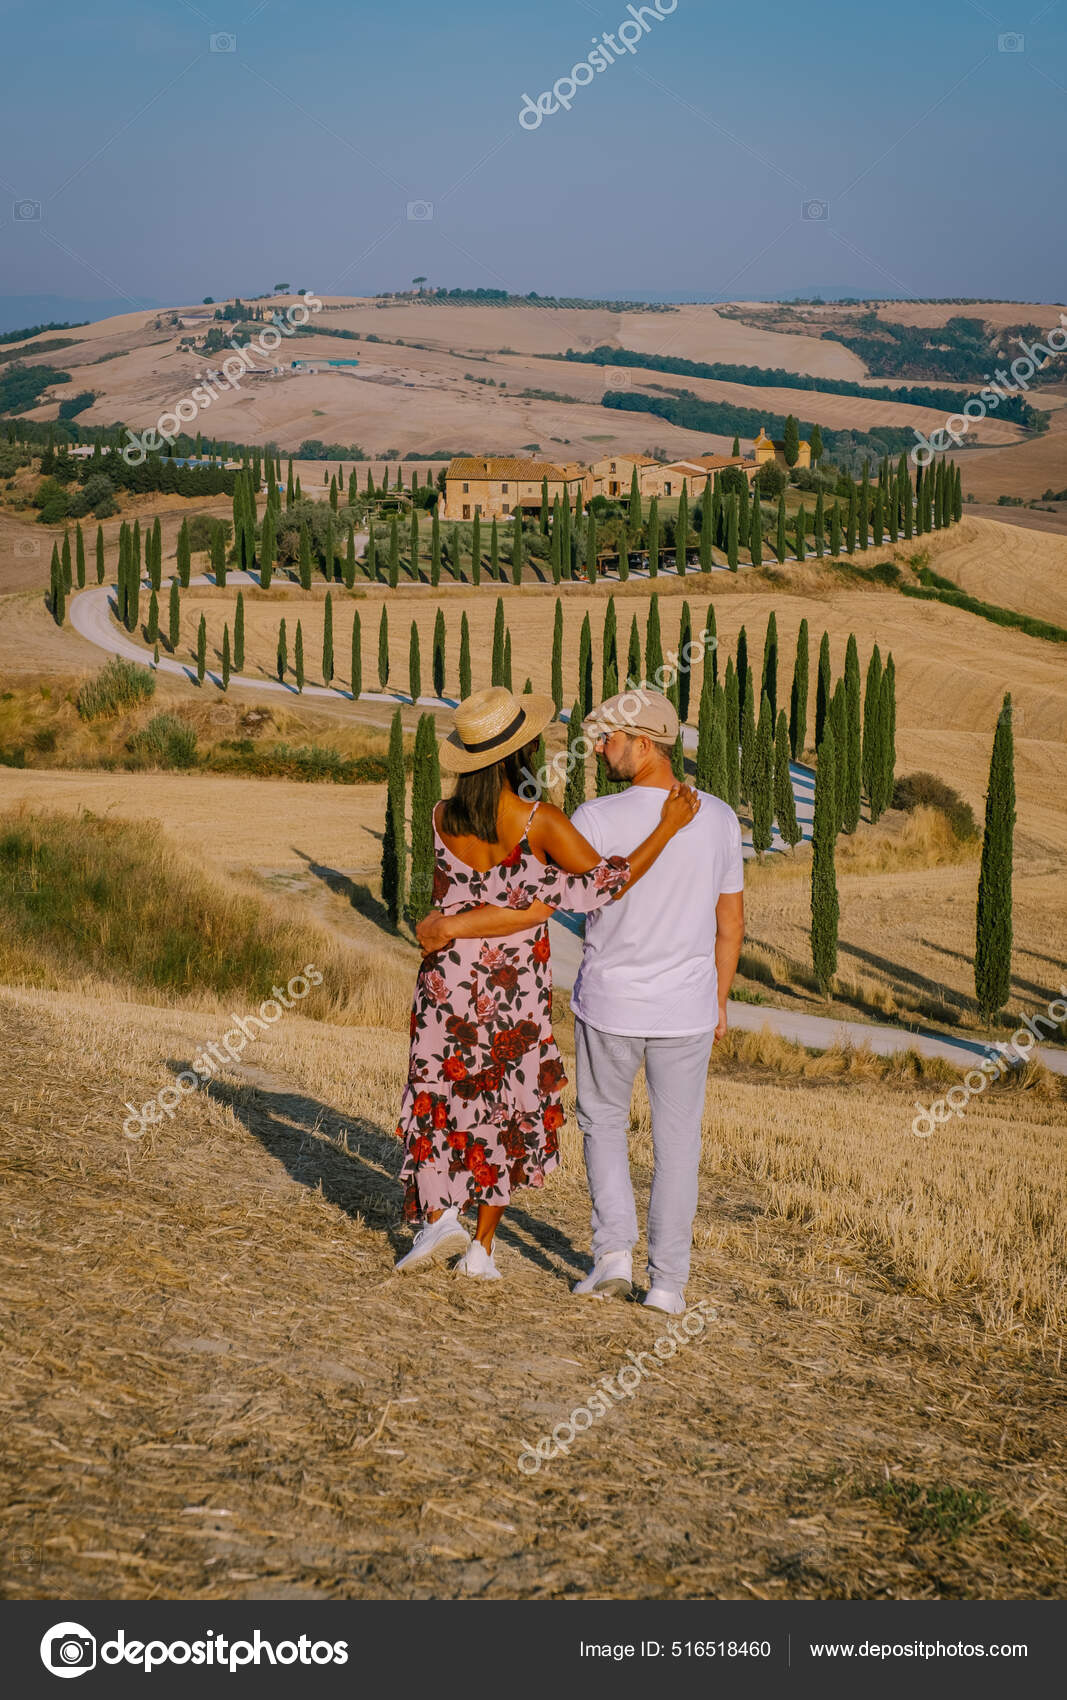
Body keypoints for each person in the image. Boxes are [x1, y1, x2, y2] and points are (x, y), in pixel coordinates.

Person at [395, 686, 698, 1280]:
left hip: (446, 983)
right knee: (504, 1104)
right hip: (511, 991)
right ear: (520, 753)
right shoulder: (541, 821)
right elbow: (605, 884)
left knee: (441, 1092)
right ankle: (481, 1248)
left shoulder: (440, 816)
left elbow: (443, 901)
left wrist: (459, 923)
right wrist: (665, 828)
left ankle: (439, 1216)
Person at [568, 689, 745, 1314]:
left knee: (603, 1125)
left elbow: (576, 900)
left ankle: (612, 1258)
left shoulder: (594, 817)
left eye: (609, 739)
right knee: (678, 1146)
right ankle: (667, 1285)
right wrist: (719, 1000)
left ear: (645, 744)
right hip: (687, 1010)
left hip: (609, 1004)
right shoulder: (720, 819)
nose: (599, 749)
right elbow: (730, 924)